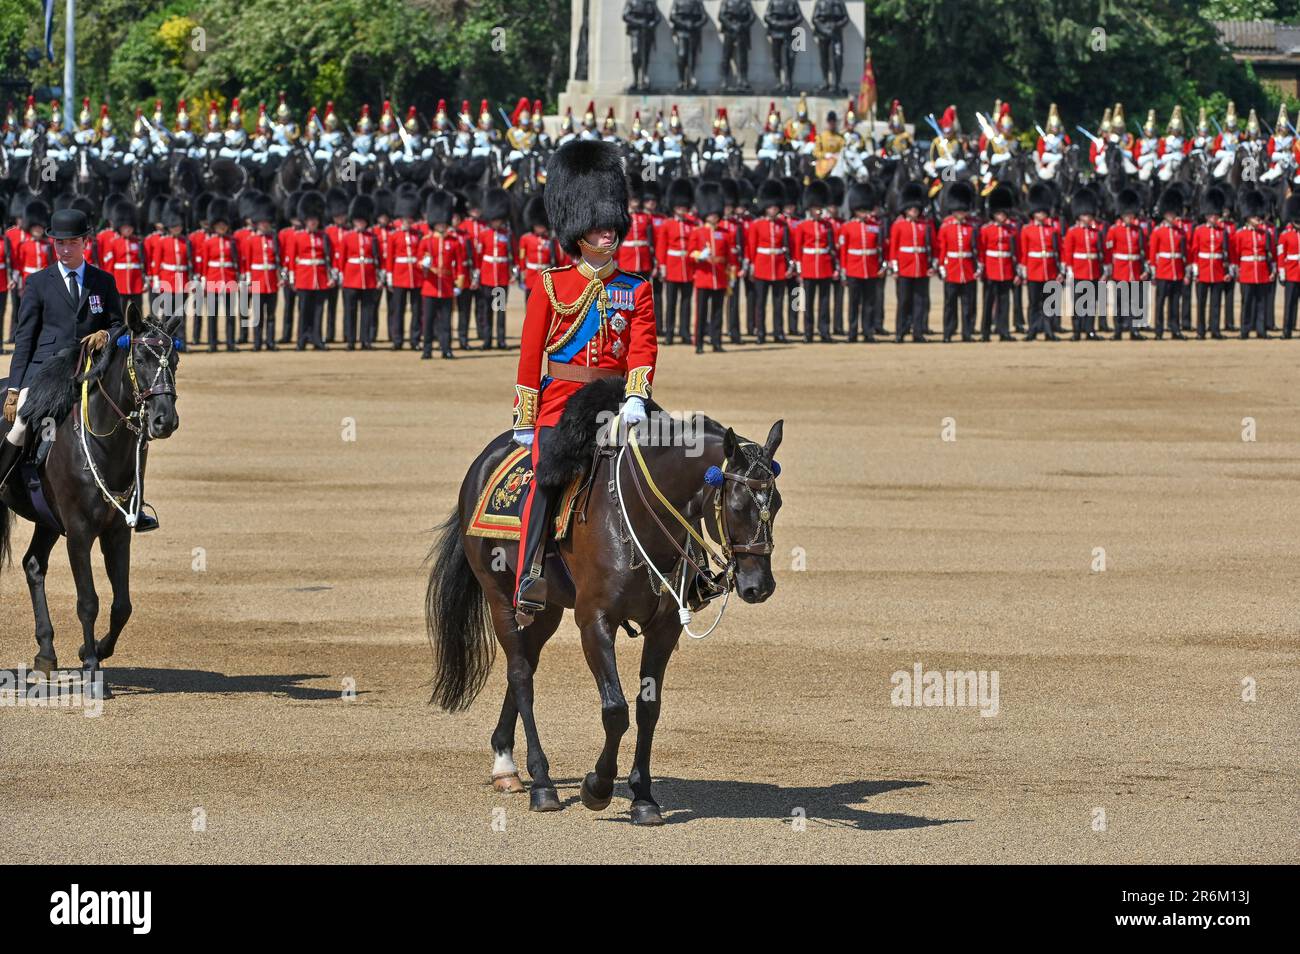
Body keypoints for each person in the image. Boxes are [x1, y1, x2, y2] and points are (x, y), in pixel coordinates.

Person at [511, 139, 657, 626]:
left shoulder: (635, 288)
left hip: (618, 400)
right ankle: (531, 572)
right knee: (545, 479)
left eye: (613, 224)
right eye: (599, 226)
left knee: (667, 467)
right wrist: (527, 420)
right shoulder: (551, 284)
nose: (609, 233)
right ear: (578, 230)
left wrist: (637, 395)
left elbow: (643, 349)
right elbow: (531, 357)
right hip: (561, 402)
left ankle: (674, 570)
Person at [1, 208, 157, 532]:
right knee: (18, 427)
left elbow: (120, 325)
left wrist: (107, 334)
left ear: (86, 241)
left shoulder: (104, 281)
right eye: (59, 243)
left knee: (136, 430)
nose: (65, 249)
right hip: (46, 374)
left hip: (92, 371)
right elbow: (25, 339)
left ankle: (135, 504)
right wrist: (15, 388)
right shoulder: (38, 283)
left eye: (72, 242)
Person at [417, 190, 466, 360]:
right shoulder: (426, 241)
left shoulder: (453, 242)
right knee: (429, 321)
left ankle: (446, 349)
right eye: (439, 224)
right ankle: (427, 349)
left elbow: (459, 265)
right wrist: (423, 265)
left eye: (443, 223)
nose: (441, 226)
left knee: (446, 322)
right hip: (430, 286)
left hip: (446, 286)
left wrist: (459, 284)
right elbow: (418, 262)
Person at [936, 181, 978, 341]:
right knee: (950, 305)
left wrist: (977, 267)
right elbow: (942, 249)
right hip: (952, 269)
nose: (961, 213)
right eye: (958, 210)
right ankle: (948, 332)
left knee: (968, 305)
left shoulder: (971, 228)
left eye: (963, 210)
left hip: (967, 270)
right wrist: (941, 266)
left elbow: (976, 249)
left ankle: (967, 333)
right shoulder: (946, 227)